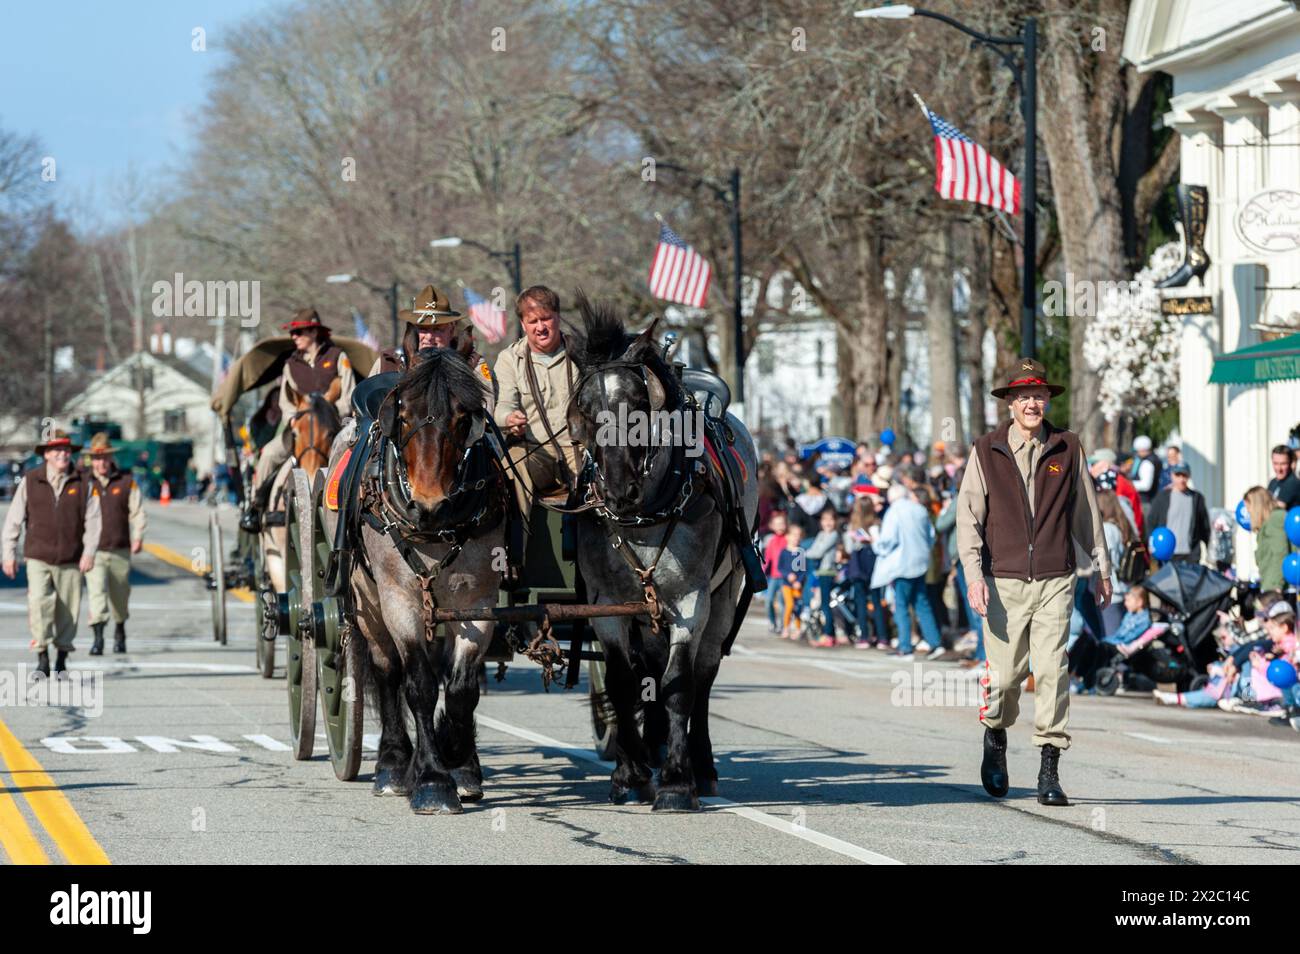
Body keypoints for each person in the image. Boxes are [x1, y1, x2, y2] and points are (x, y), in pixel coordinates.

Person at [956, 358, 1111, 807]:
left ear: (1048, 400)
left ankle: (1049, 766)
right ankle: (995, 735)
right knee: (1004, 679)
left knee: (1051, 671)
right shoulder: (985, 451)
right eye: (1022, 396)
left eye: (1038, 395)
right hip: (1001, 581)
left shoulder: (1068, 446)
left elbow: (1086, 514)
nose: (1031, 403)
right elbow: (968, 519)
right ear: (1009, 404)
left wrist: (1101, 567)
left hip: (1055, 578)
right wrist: (972, 576)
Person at [244, 308, 356, 531]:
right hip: (301, 427)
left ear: (314, 332)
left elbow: (348, 393)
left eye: (299, 332)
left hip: (334, 425)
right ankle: (256, 508)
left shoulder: (337, 357)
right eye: (293, 333)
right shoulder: (290, 365)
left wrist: (331, 412)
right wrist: (293, 419)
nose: (294, 337)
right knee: (268, 454)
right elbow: (286, 402)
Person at [2, 430, 101, 678]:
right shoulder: (31, 480)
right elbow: (14, 519)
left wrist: (89, 552)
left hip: (70, 557)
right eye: (57, 450)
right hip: (38, 555)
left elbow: (94, 521)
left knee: (68, 609)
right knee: (39, 603)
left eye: (66, 450)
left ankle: (62, 657)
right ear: (46, 454)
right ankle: (42, 655)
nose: (63, 454)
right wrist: (9, 553)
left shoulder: (83, 482)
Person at [492, 286, 583, 526]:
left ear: (558, 317)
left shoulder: (582, 353)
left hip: (580, 451)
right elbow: (502, 407)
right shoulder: (510, 359)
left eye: (546, 319)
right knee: (511, 465)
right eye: (533, 321)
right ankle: (516, 553)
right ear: (523, 324)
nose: (540, 327)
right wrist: (509, 418)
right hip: (535, 451)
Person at [373, 284, 494, 407]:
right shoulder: (388, 362)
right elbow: (363, 411)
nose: (429, 337)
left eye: (437, 329)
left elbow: (485, 414)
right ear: (412, 330)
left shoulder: (473, 364)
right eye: (423, 329)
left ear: (451, 329)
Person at [84, 433, 146, 655]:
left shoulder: (126, 481)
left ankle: (120, 629)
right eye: (96, 458)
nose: (100, 463)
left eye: (104, 458)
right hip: (94, 550)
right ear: (91, 459)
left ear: (111, 458)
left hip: (119, 547)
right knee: (96, 592)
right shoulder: (84, 482)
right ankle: (98, 638)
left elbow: (137, 511)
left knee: (120, 595)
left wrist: (138, 535)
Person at [872, 483, 945, 660]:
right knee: (922, 604)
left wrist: (875, 540)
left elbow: (888, 539)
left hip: (902, 564)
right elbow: (931, 535)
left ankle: (905, 648)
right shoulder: (919, 509)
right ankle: (935, 643)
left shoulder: (894, 511)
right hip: (920, 562)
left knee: (902, 606)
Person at [1145, 462, 1210, 563]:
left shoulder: (1197, 498)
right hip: (1167, 554)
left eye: (1184, 475)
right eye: (1178, 475)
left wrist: (1210, 548)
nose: (1181, 479)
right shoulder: (1162, 497)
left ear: (1189, 477)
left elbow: (1205, 527)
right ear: (1172, 476)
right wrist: (1151, 544)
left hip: (1190, 556)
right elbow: (1151, 522)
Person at [804, 508, 844, 648]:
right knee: (823, 603)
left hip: (828, 572)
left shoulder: (833, 535)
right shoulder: (821, 534)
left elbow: (818, 552)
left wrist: (804, 553)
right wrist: (810, 552)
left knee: (825, 604)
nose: (828, 522)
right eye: (825, 519)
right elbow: (815, 549)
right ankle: (830, 633)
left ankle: (829, 635)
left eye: (831, 519)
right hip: (820, 571)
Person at [1243, 485, 1292, 591]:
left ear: (1257, 506)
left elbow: (1279, 554)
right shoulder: (1267, 524)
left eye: (1249, 509)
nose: (1249, 513)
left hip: (1279, 588)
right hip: (1271, 584)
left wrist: (1276, 586)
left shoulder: (1275, 519)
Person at [777, 523, 807, 640]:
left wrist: (799, 581)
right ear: (787, 536)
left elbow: (803, 570)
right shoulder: (784, 552)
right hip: (786, 584)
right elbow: (780, 567)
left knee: (797, 607)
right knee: (789, 605)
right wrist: (787, 575)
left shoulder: (801, 552)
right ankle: (786, 628)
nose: (796, 538)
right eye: (794, 535)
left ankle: (798, 629)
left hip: (797, 586)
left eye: (798, 535)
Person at [761, 512, 789, 633]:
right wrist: (761, 572)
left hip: (785, 577)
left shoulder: (788, 539)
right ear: (772, 526)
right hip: (773, 576)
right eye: (777, 524)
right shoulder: (771, 541)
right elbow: (767, 559)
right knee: (769, 601)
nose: (780, 526)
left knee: (783, 603)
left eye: (782, 523)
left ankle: (782, 625)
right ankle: (772, 623)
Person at [1129, 435, 1162, 508]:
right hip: (1149, 500)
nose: (1136, 453)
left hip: (1145, 501)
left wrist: (1129, 483)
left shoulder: (1147, 463)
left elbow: (1146, 485)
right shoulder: (1154, 458)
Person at [1267, 444, 1300, 510]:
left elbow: (1278, 508)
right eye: (1275, 463)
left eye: (1283, 464)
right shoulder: (1273, 482)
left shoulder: (1293, 483)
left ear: (1290, 463)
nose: (1279, 469)